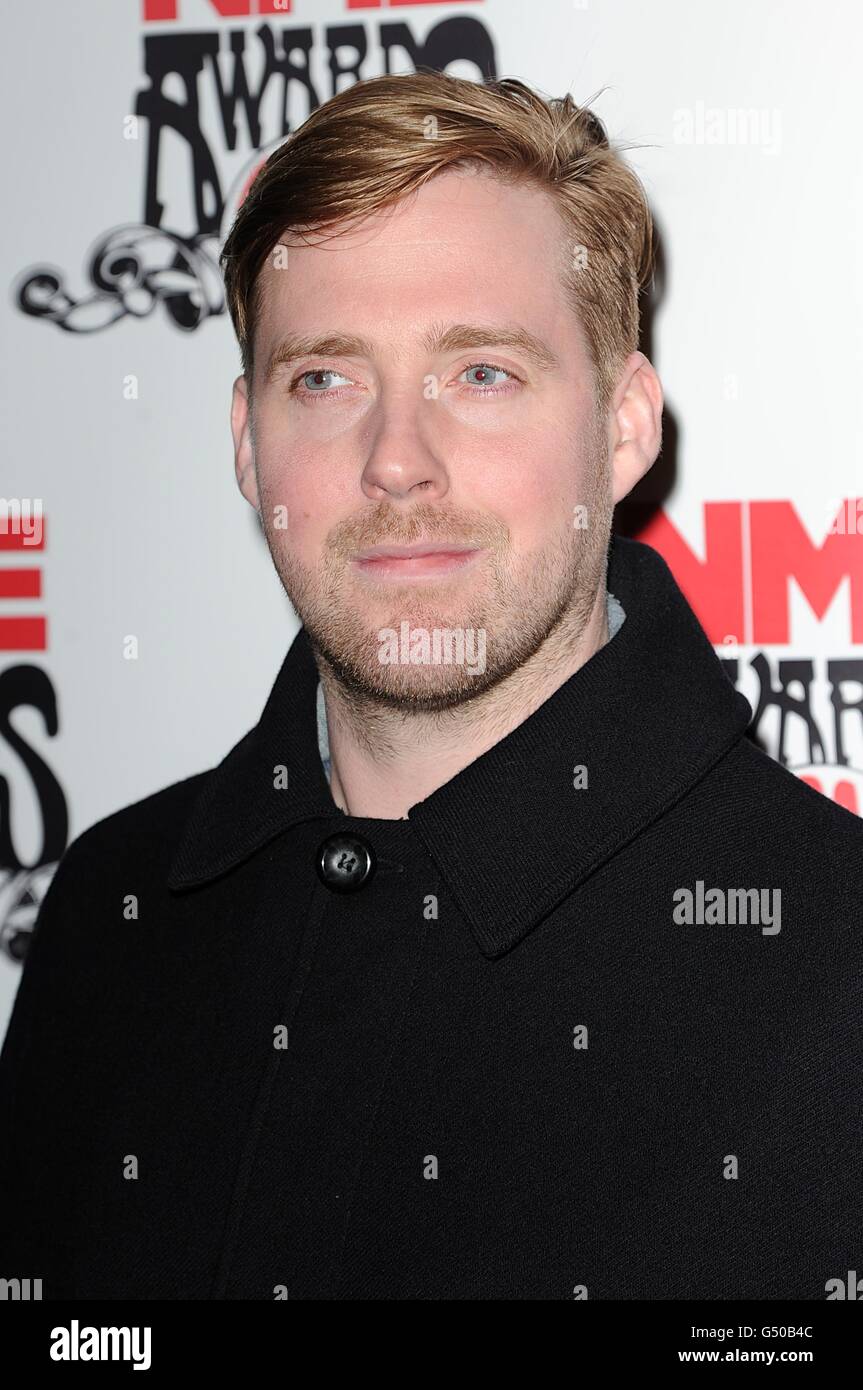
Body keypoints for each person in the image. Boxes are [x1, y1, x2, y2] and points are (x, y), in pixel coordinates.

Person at [1, 71, 860, 1301]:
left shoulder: (834, 969)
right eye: (325, 379)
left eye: (481, 374)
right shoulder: (112, 915)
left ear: (621, 429)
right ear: (247, 442)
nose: (395, 461)